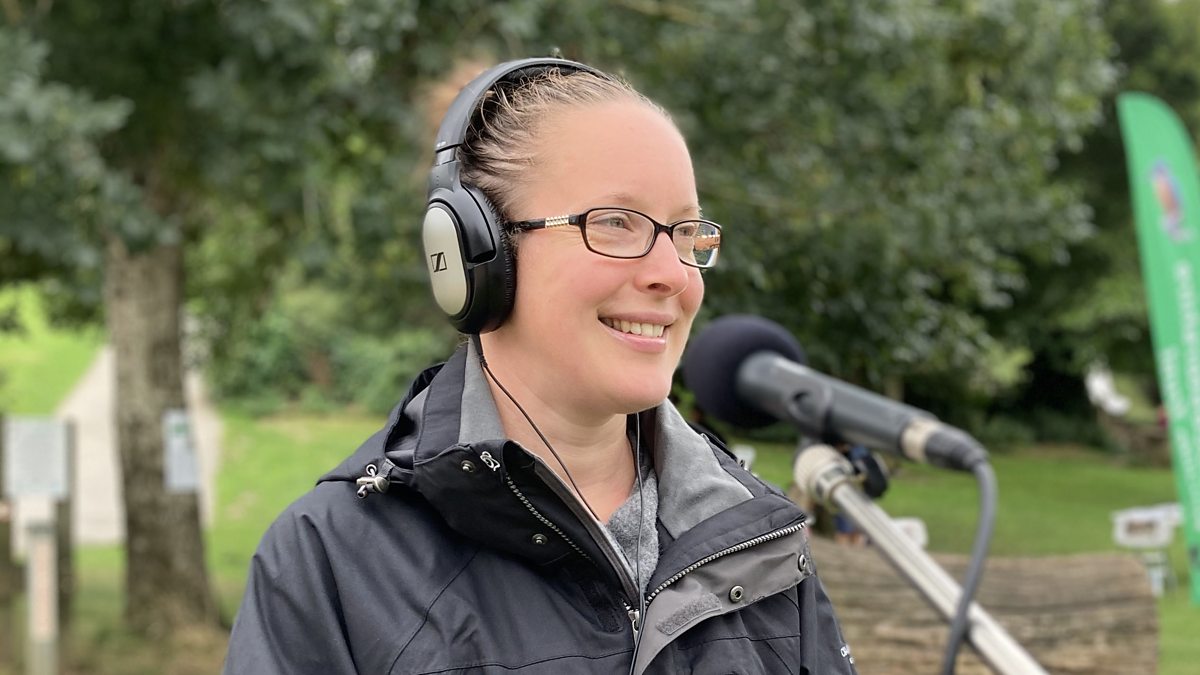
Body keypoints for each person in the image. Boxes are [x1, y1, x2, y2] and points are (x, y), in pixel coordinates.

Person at [223, 57, 857, 674]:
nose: (672, 274)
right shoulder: (333, 562)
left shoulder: (759, 538)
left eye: (686, 234)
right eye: (615, 223)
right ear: (477, 254)